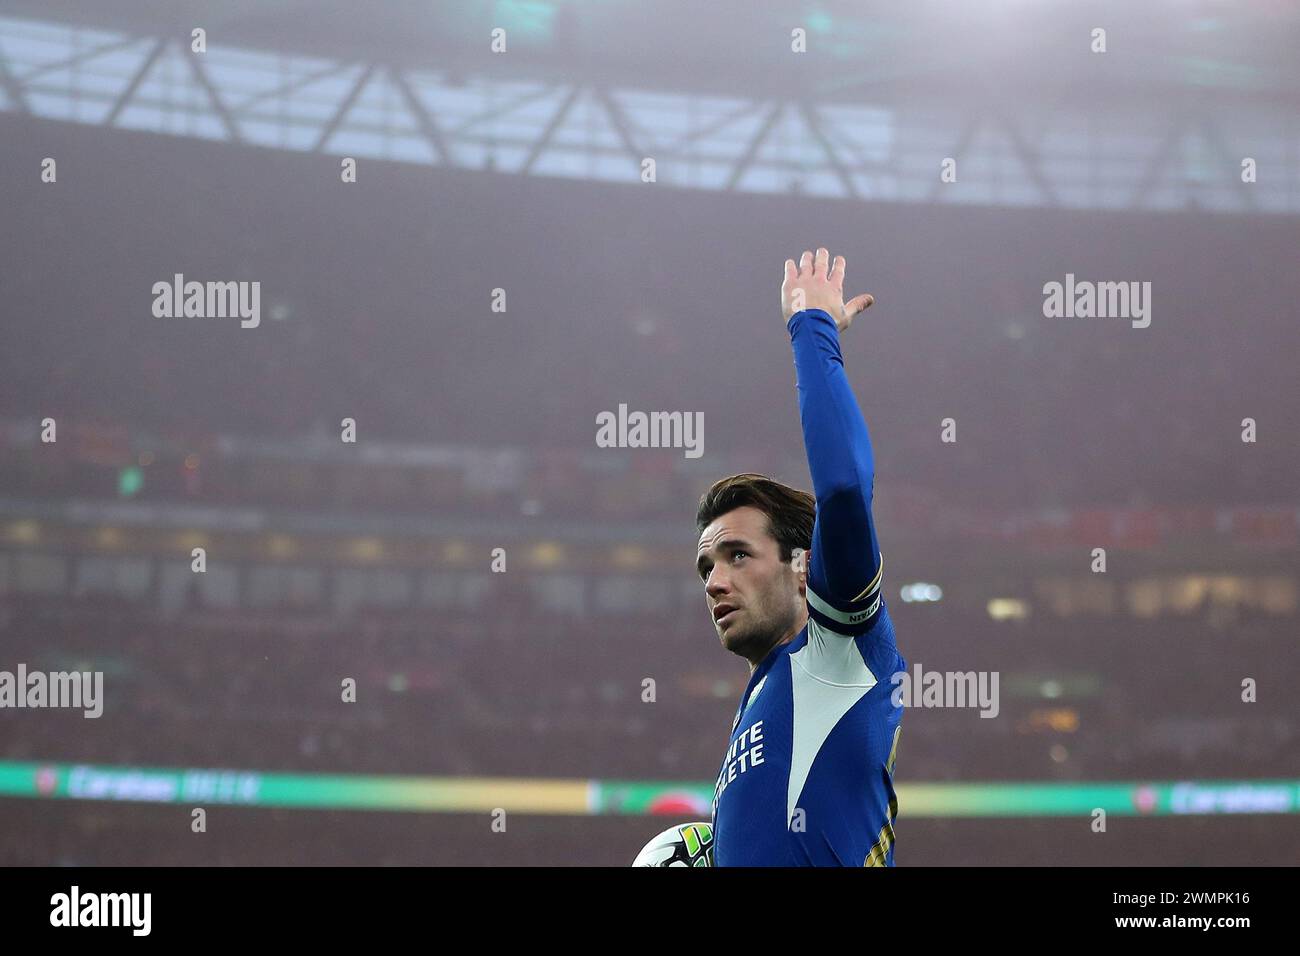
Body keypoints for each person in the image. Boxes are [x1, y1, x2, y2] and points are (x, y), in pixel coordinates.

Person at [695, 247, 905, 865]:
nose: (714, 581)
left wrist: (811, 328)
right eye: (706, 567)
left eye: (737, 555)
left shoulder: (838, 652)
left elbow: (842, 488)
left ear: (803, 563)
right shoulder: (763, 697)